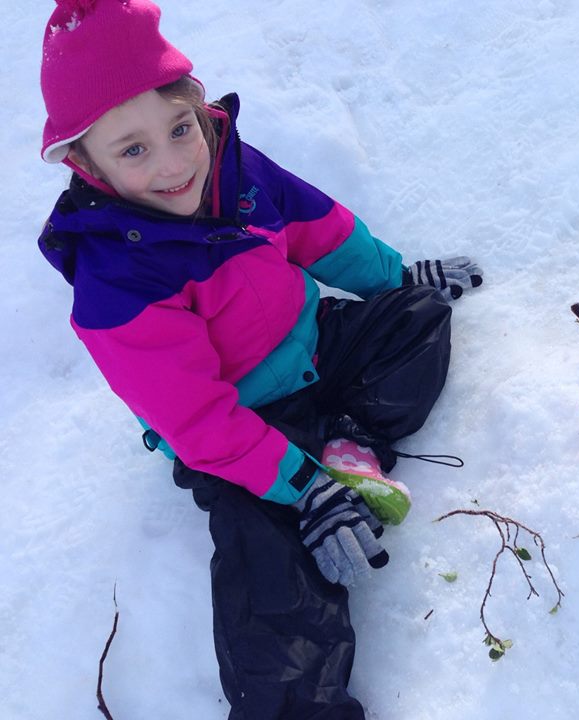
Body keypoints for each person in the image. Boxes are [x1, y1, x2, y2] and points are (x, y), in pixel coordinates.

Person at [36, 1, 483, 717]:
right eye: (133, 151)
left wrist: (395, 279)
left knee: (416, 321)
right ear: (85, 165)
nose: (174, 163)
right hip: (234, 427)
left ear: (197, 107)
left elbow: (319, 230)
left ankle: (348, 446)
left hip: (314, 348)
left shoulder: (236, 170)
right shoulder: (114, 285)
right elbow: (194, 419)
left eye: (179, 128)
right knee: (268, 565)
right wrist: (300, 488)